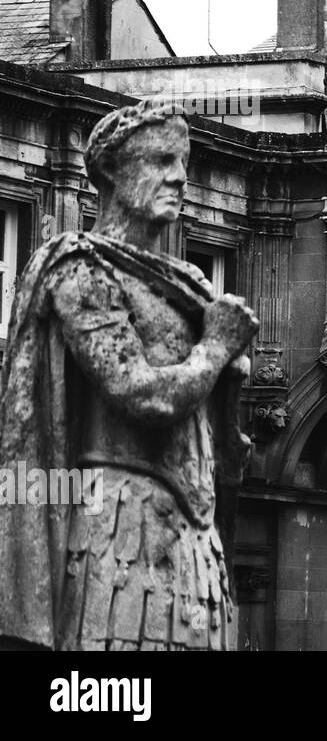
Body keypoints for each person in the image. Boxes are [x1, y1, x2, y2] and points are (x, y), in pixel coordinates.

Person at [0, 98, 259, 650]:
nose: (181, 177)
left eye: (184, 162)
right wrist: (215, 350)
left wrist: (228, 378)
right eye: (163, 160)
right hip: (119, 524)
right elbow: (140, 393)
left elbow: (218, 434)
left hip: (196, 538)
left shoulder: (190, 281)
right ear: (113, 171)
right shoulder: (80, 268)